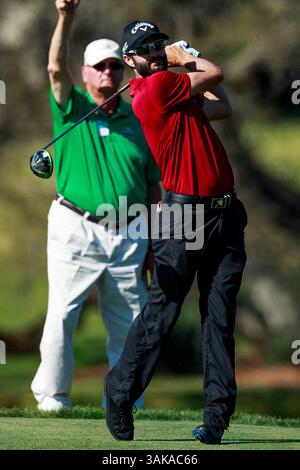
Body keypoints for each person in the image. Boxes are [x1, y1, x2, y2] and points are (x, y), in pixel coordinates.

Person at [104, 20, 248, 444]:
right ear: (130, 61)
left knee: (220, 319)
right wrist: (185, 56)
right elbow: (216, 72)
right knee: (162, 313)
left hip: (226, 213)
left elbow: (221, 105)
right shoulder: (153, 89)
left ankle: (217, 420)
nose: (155, 52)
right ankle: (118, 394)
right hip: (182, 214)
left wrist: (185, 59)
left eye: (158, 45)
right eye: (146, 48)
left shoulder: (175, 92)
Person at [31, 3, 161, 412]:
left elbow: (153, 187)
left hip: (129, 232)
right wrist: (65, 16)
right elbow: (54, 68)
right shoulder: (70, 108)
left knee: (130, 324)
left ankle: (127, 402)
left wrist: (157, 240)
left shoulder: (137, 117)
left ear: (122, 70)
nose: (107, 73)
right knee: (62, 317)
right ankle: (53, 399)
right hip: (76, 228)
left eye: (114, 66)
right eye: (98, 67)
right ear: (84, 73)